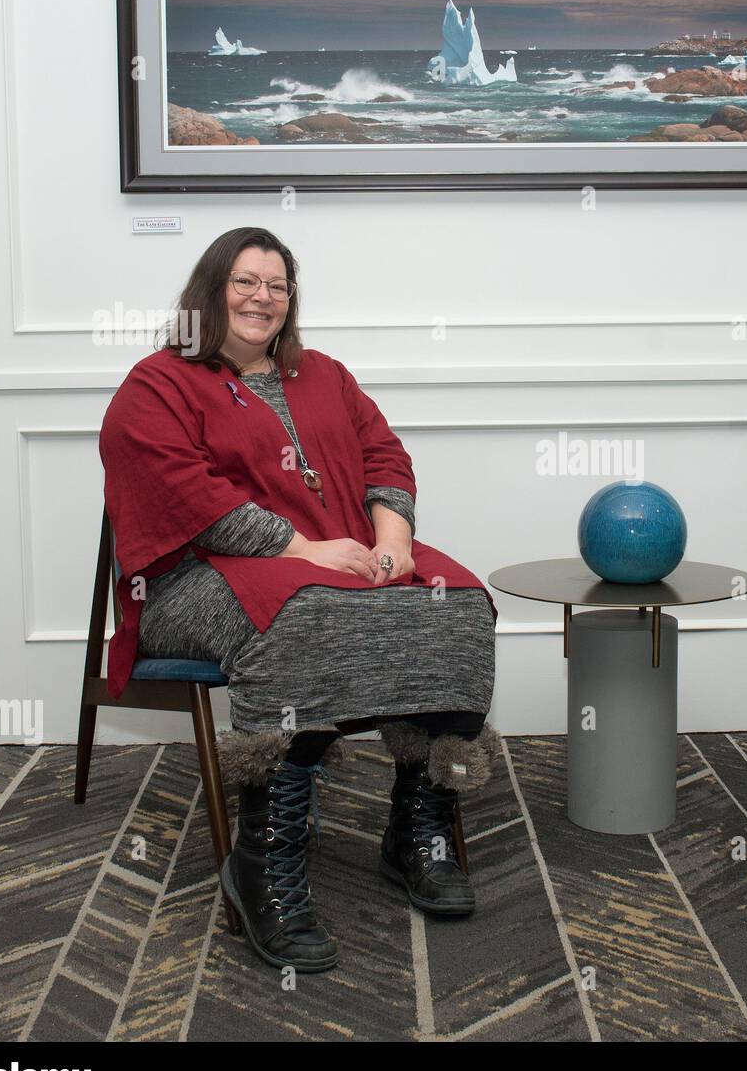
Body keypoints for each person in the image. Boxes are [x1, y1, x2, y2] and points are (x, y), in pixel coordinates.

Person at [100, 226, 499, 975]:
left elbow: (385, 454)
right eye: (246, 281)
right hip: (195, 578)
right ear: (212, 290)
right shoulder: (157, 383)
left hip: (338, 558)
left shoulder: (325, 375)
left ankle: (420, 824)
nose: (263, 297)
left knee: (458, 603)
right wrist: (304, 550)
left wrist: (395, 539)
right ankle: (265, 859)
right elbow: (189, 495)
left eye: (277, 285)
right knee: (304, 614)